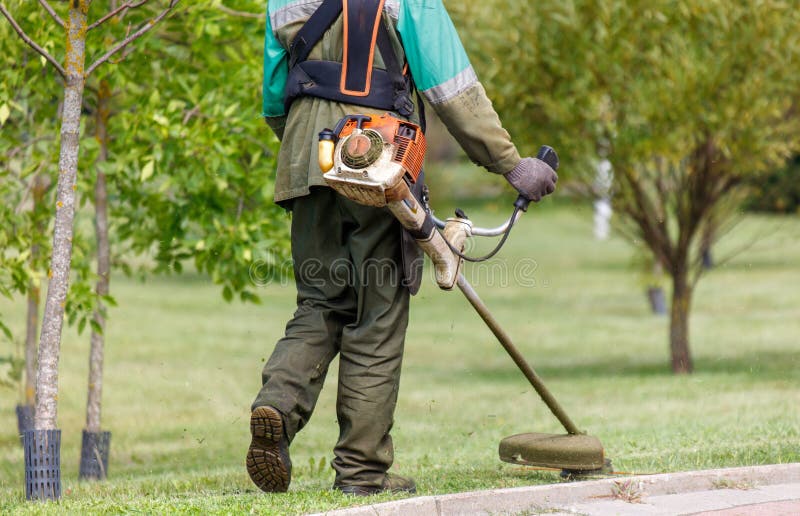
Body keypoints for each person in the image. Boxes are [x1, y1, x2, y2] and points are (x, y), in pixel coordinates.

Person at [247, 0, 557, 496]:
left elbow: (272, 99)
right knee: (378, 315)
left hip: (308, 155)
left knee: (320, 303)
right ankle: (362, 474)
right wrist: (510, 163)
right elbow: (452, 89)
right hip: (379, 158)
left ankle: (278, 407)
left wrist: (309, 157)